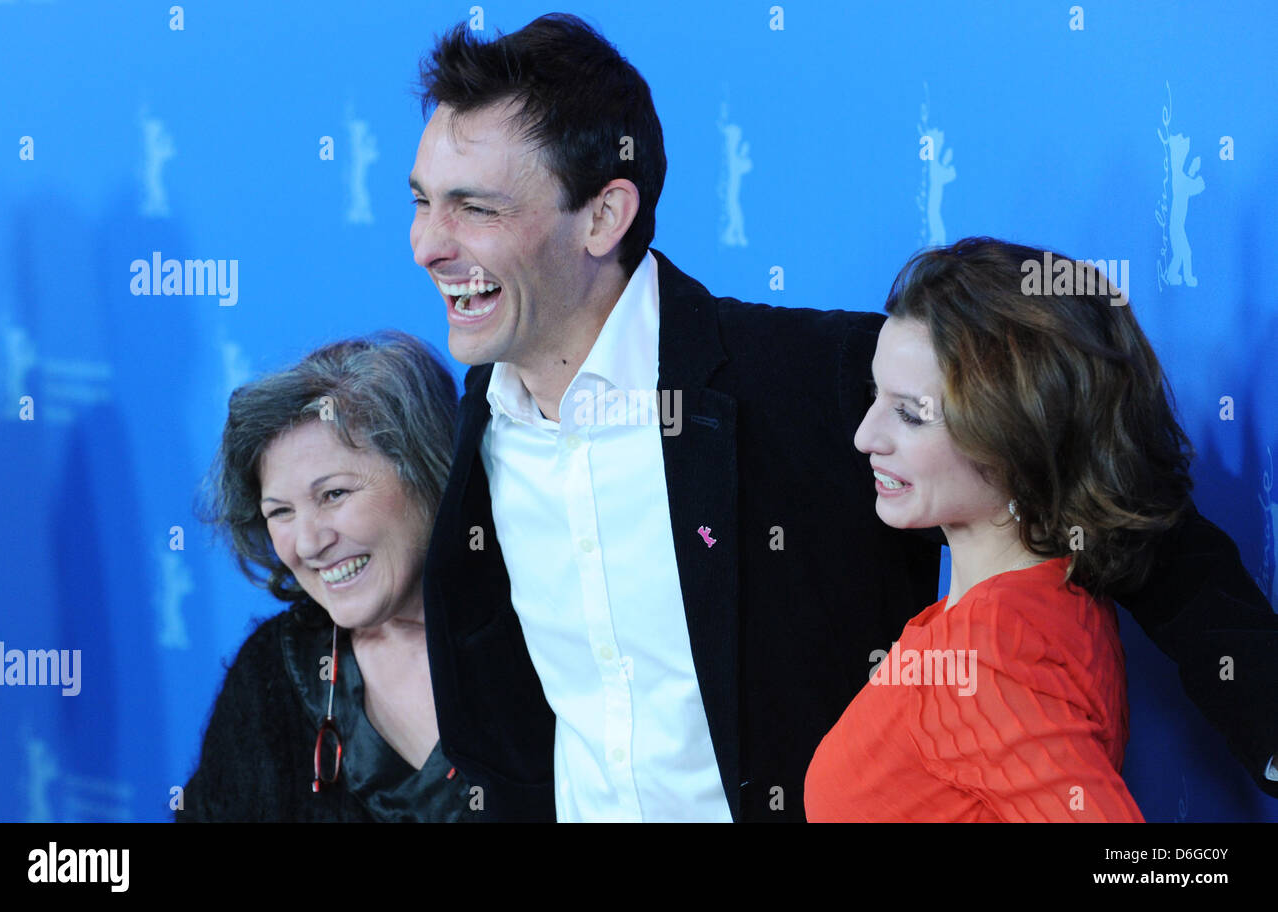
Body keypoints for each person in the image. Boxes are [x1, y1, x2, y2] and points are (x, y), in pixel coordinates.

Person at [411, 13, 1278, 822]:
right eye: (421, 200)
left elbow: (1119, 510)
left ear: (604, 213)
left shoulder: (822, 379)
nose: (427, 244)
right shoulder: (480, 431)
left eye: (475, 207)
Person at [804, 239, 1188, 821]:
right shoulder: (1052, 598)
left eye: (910, 413)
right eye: (874, 396)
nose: (865, 436)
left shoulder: (988, 653)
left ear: (1017, 440)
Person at [177, 332, 472, 822]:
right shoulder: (272, 676)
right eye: (281, 512)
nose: (309, 543)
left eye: (334, 494)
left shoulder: (546, 642)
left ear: (427, 468)